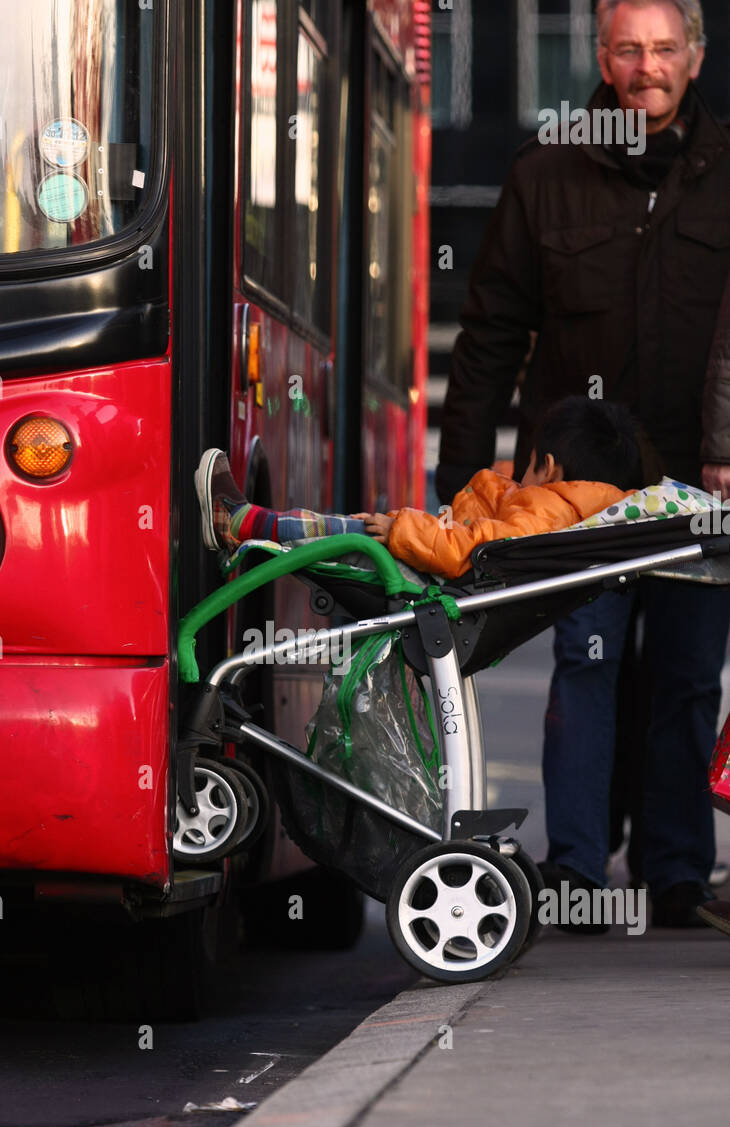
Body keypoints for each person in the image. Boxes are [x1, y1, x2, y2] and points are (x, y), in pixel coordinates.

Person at [436, 0, 730, 930]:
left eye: (664, 49)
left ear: (696, 55)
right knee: (588, 662)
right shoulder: (546, 171)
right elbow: (489, 337)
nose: (647, 67)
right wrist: (462, 485)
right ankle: (576, 874)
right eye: (629, 49)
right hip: (573, 488)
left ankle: (677, 874)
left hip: (700, 481)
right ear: (602, 57)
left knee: (688, 677)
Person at [197, 397, 641, 575]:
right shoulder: (565, 507)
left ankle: (241, 524)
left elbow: (480, 547)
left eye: (527, 464)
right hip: (420, 557)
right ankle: (249, 529)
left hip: (420, 571)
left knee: (332, 534)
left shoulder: (547, 510)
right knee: (335, 531)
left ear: (548, 467)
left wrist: (402, 533)